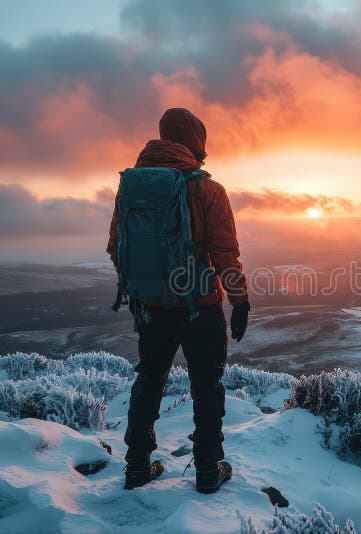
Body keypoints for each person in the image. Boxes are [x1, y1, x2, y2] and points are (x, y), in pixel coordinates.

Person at [106, 108, 250, 493]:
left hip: (151, 307)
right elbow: (224, 253)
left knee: (149, 379)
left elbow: (114, 247)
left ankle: (136, 466)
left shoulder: (130, 186)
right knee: (206, 385)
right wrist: (239, 301)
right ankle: (207, 468)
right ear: (196, 141)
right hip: (200, 305)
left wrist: (145, 289)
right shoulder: (207, 189)